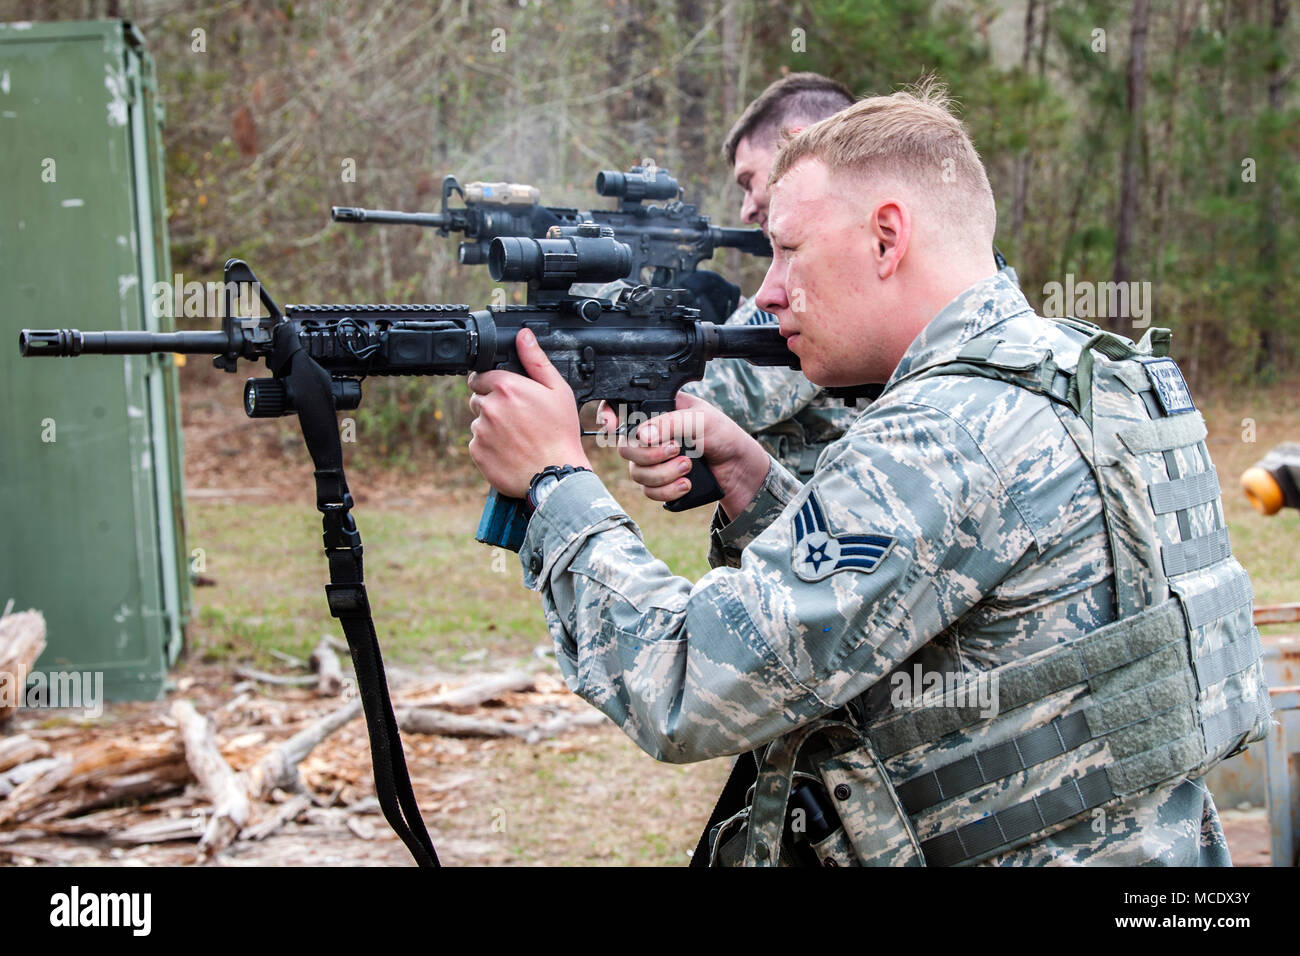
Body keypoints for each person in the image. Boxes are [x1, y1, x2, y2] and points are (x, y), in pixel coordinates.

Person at [466, 81, 1268, 866]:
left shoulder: (945, 433)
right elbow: (947, 600)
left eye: (786, 251)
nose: (770, 293)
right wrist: (759, 488)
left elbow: (688, 683)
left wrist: (555, 483)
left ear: (887, 238)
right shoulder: (1094, 374)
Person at [582, 73, 863, 477]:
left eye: (750, 182)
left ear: (799, 143)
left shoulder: (837, 271)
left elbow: (711, 398)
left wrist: (593, 296)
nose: (747, 211)